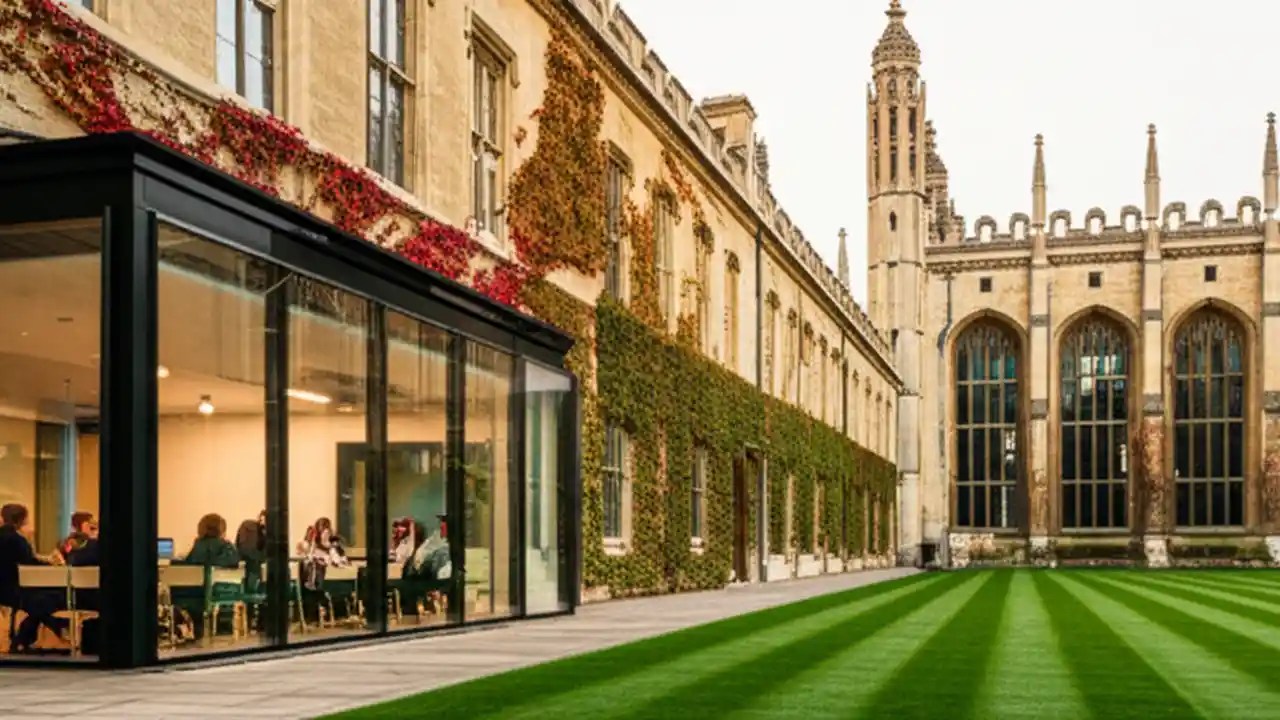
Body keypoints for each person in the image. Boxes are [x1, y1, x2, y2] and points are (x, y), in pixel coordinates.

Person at [0, 503, 68, 654]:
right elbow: (30, 564)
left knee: (39, 604)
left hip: (4, 588)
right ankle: (55, 627)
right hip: (15, 590)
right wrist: (50, 564)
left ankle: (23, 639)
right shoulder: (17, 540)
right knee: (51, 598)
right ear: (22, 520)